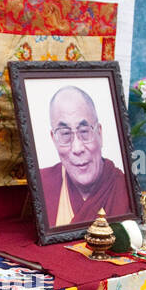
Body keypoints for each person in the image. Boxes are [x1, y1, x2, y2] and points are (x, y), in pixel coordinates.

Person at [37, 85, 130, 228]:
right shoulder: (42, 184)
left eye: (84, 131)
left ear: (100, 133)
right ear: (53, 139)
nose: (77, 148)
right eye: (65, 134)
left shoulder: (124, 190)